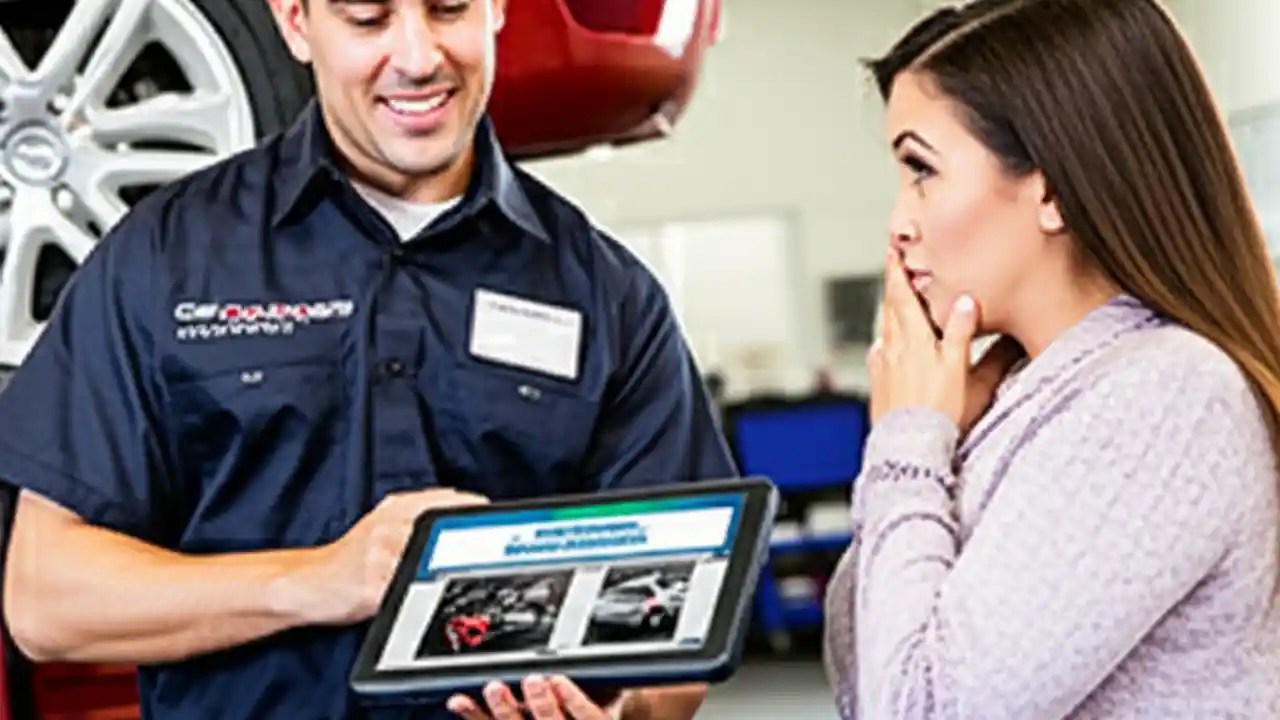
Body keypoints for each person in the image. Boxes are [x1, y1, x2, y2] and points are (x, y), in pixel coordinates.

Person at [0, 0, 734, 718]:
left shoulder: (607, 295)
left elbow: (673, 642)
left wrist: (620, 712)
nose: (418, 59)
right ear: (294, 21)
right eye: (368, 18)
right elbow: (45, 600)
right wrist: (320, 580)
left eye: (448, 11)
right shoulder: (162, 261)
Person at [823, 0, 1280, 717]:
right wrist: (938, 450)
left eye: (922, 169)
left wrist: (908, 445)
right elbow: (865, 668)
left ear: (1054, 189)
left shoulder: (1166, 396)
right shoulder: (1027, 394)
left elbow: (915, 708)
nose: (898, 224)